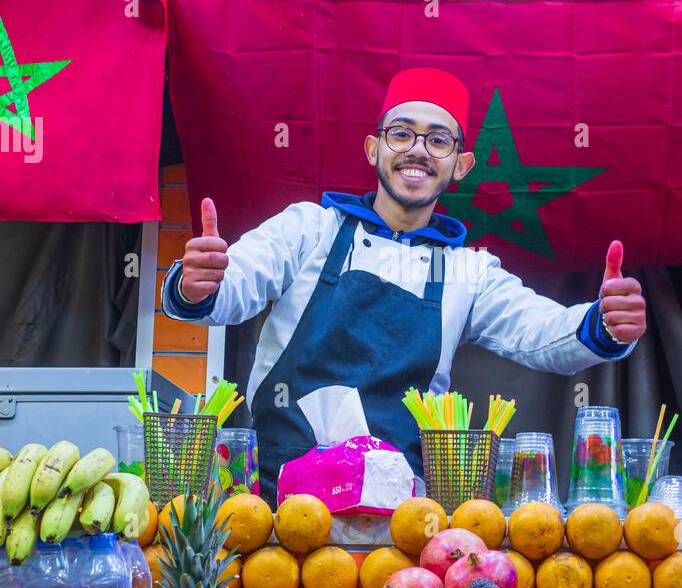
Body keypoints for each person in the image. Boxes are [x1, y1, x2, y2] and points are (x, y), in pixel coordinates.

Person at [163, 67, 646, 501]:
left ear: (460, 165)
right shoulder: (309, 229)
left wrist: (603, 324)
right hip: (280, 497)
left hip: (400, 512)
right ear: (375, 149)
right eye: (401, 134)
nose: (417, 149)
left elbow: (542, 334)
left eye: (439, 140)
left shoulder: (468, 271)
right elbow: (234, 286)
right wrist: (199, 284)